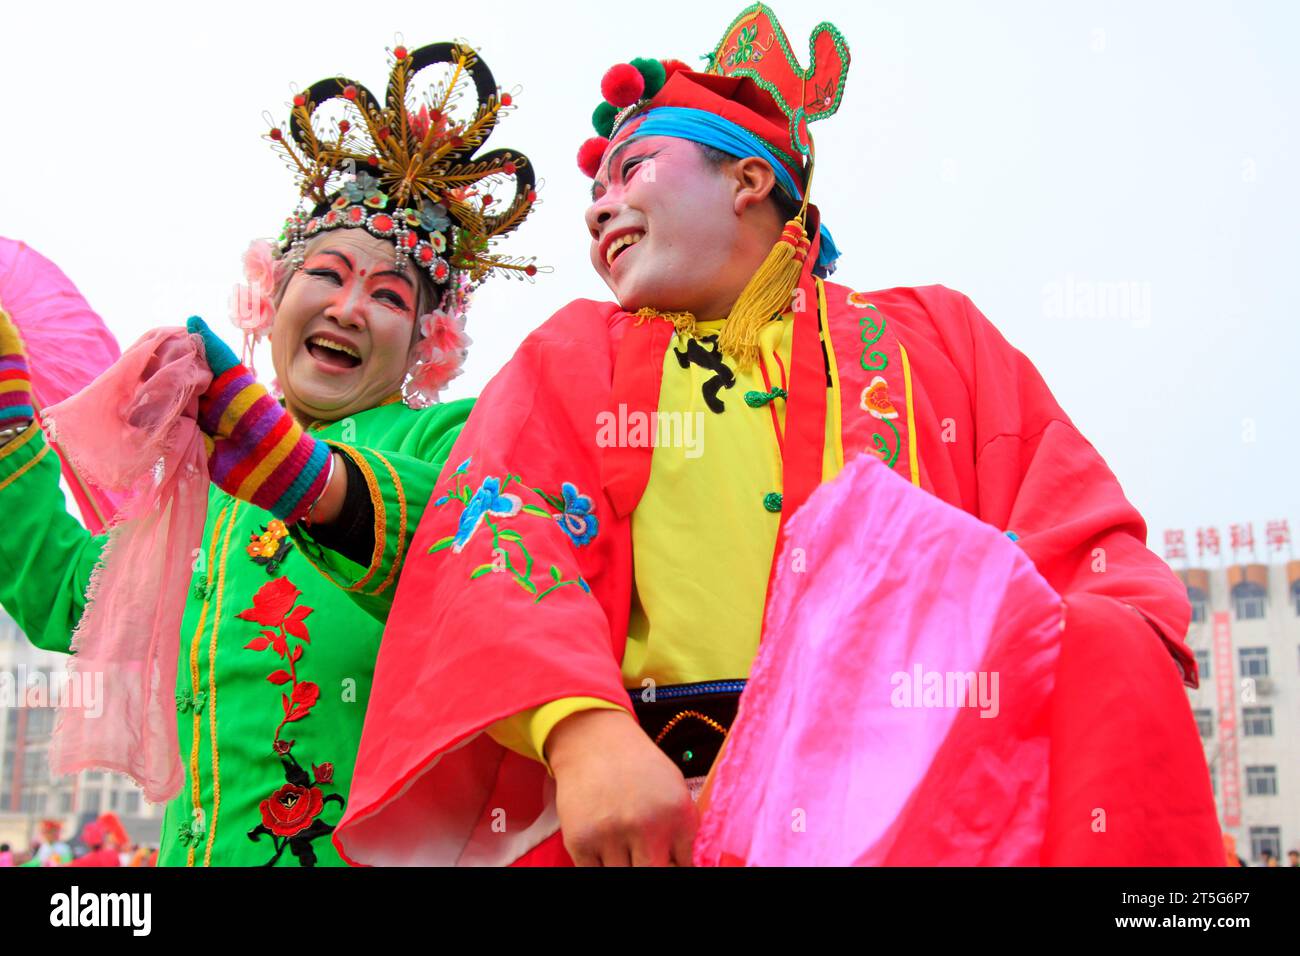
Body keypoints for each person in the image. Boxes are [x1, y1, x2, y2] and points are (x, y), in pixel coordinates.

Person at [332, 4, 1222, 866]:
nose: (599, 210)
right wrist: (581, 730)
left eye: (632, 169)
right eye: (594, 194)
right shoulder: (575, 356)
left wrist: (1100, 667)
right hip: (660, 828)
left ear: (748, 180)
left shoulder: (938, 342)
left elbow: (1083, 545)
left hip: (921, 820)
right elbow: (495, 532)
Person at [0, 39, 538, 865]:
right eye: (326, 275)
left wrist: (294, 470)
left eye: (389, 295)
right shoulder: (201, 484)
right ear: (270, 296)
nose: (351, 308)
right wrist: (7, 423)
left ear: (426, 343)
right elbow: (74, 599)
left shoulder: (448, 435)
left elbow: (476, 550)